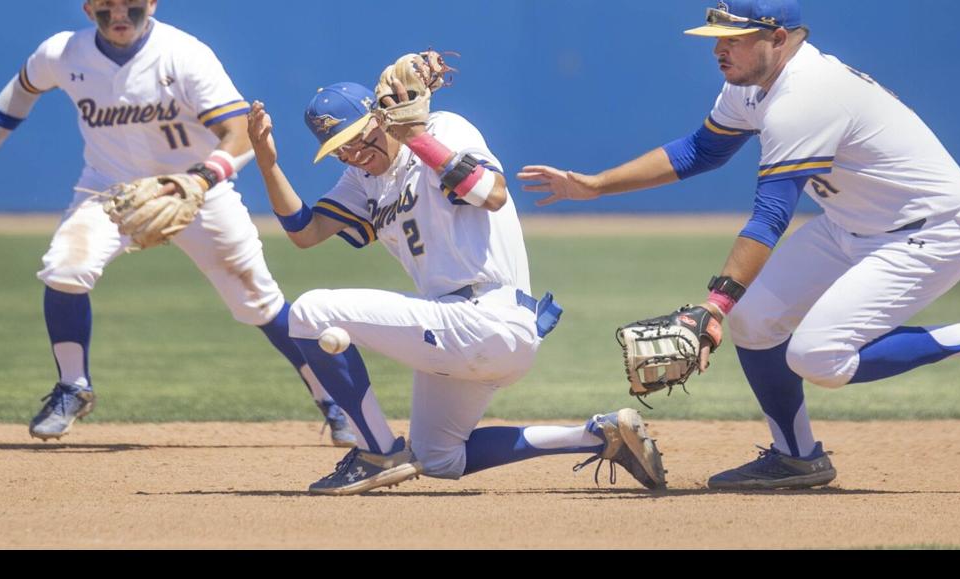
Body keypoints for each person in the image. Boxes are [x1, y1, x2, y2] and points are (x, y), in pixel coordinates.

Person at [519, 0, 960, 491]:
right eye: (717, 38)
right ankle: (797, 457)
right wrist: (594, 184)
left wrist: (715, 303)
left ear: (778, 38)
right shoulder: (752, 83)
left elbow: (770, 217)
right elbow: (701, 150)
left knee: (818, 356)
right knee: (753, 322)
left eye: (735, 39)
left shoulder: (805, 97)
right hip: (850, 225)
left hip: (931, 232)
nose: (720, 50)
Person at [245, 58, 666, 495]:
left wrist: (416, 137)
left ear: (379, 118)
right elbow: (306, 233)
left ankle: (376, 453)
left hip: (488, 315)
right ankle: (600, 436)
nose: (352, 154)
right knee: (438, 457)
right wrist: (267, 163)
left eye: (356, 138)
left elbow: (492, 193)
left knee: (312, 311)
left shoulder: (442, 129)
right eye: (339, 149)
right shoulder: (362, 179)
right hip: (456, 326)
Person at [0, 0, 358, 445]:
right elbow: (21, 89)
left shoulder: (183, 54)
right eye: (106, 7)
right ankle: (73, 386)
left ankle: (334, 400)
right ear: (88, 6)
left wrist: (202, 178)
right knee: (65, 269)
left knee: (259, 303)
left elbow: (241, 133)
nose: (118, 16)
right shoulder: (63, 53)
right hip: (109, 188)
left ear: (151, 3)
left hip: (198, 189)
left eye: (131, 6)